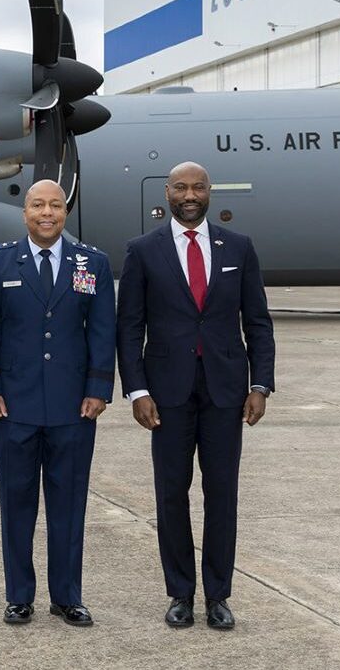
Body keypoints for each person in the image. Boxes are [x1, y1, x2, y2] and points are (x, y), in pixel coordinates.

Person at [116, 161, 275, 632]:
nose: (190, 194)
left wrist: (260, 384)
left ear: (210, 193)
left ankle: (219, 596)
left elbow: (259, 323)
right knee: (171, 494)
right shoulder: (143, 251)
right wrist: (138, 390)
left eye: (198, 187)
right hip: (166, 396)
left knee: (222, 494)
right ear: (166, 193)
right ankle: (180, 593)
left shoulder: (238, 248)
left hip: (227, 392)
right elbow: (130, 328)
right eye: (181, 187)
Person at [0, 179, 115, 627]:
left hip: (75, 407)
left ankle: (67, 596)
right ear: (24, 212)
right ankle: (19, 596)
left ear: (65, 211)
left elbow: (101, 331)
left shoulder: (92, 262)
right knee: (16, 505)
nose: (46, 212)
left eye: (55, 205)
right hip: (12, 407)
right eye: (38, 205)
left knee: (69, 505)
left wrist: (98, 388)